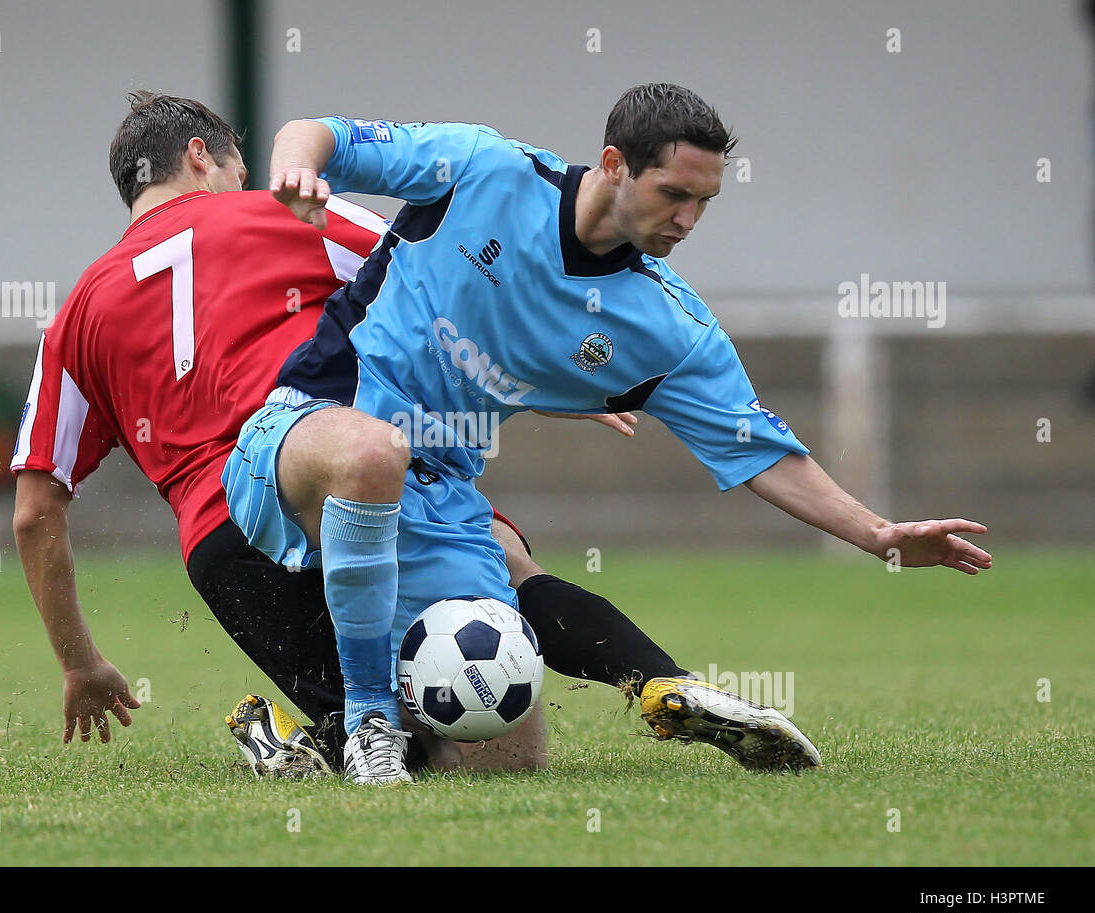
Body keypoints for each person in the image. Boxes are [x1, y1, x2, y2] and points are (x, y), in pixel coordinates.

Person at [223, 83, 993, 783]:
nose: (688, 220)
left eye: (704, 203)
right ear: (615, 164)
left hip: (437, 495)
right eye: (673, 195)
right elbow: (319, 132)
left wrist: (876, 534)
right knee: (371, 452)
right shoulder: (487, 170)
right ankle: (367, 721)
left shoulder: (665, 327)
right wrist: (296, 172)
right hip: (301, 433)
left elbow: (758, 448)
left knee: (504, 757)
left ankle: (294, 742)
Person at [11, 91, 724, 779]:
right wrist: (548, 374)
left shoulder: (75, 314)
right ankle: (662, 680)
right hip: (343, 465)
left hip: (227, 544)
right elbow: (440, 278)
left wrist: (81, 663)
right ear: (203, 157)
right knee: (496, 687)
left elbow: (36, 513)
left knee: (427, 750)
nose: (249, 181)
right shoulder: (285, 213)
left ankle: (320, 736)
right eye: (239, 167)